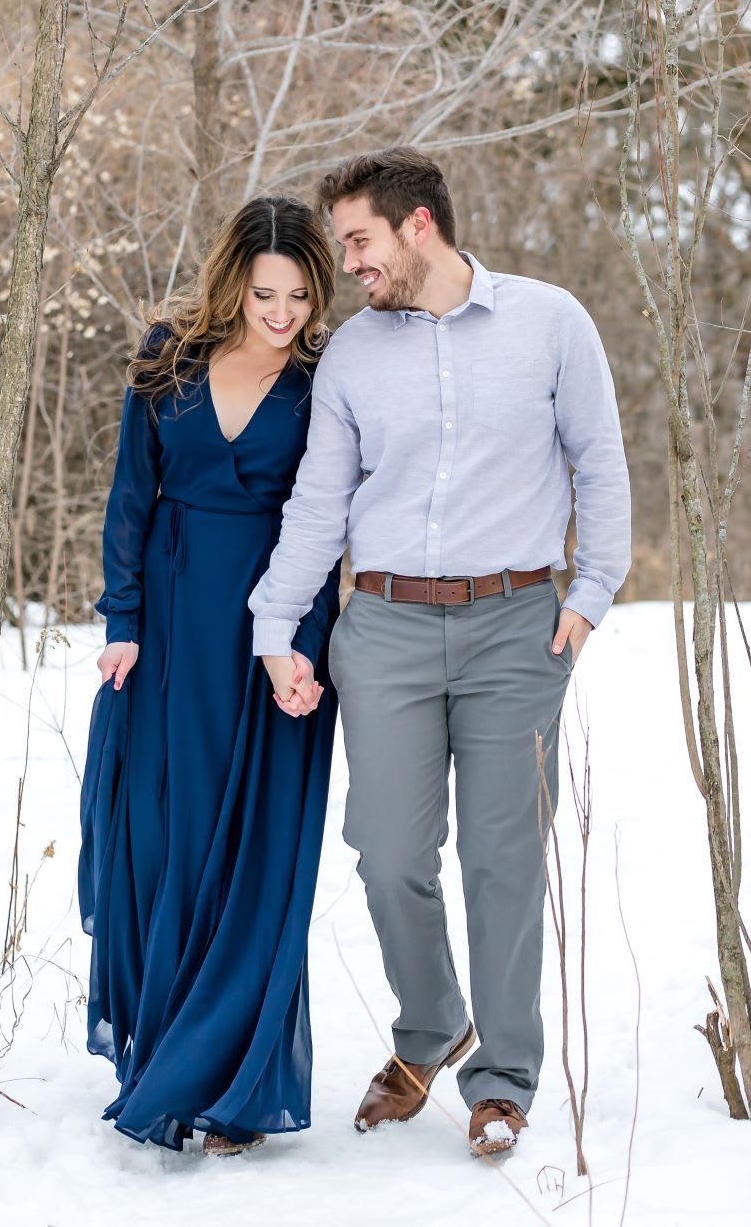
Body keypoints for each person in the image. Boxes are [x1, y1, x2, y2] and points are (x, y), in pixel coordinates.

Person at [250, 147, 631, 1158]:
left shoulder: (551, 323)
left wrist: (590, 595)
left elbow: (599, 460)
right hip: (382, 630)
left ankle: (499, 1083)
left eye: (361, 241)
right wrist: (272, 625)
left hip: (517, 626)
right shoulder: (350, 358)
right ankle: (431, 1021)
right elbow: (318, 507)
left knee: (503, 861)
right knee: (384, 852)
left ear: (420, 226)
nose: (351, 263)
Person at [78, 196, 341, 1156]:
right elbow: (128, 495)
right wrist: (123, 618)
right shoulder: (167, 355)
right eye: (266, 292)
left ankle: (235, 1087)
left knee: (254, 856)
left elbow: (329, 519)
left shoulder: (324, 379)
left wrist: (301, 645)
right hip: (169, 633)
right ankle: (161, 1060)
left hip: (278, 630)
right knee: (161, 840)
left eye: (301, 296)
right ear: (234, 281)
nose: (282, 313)